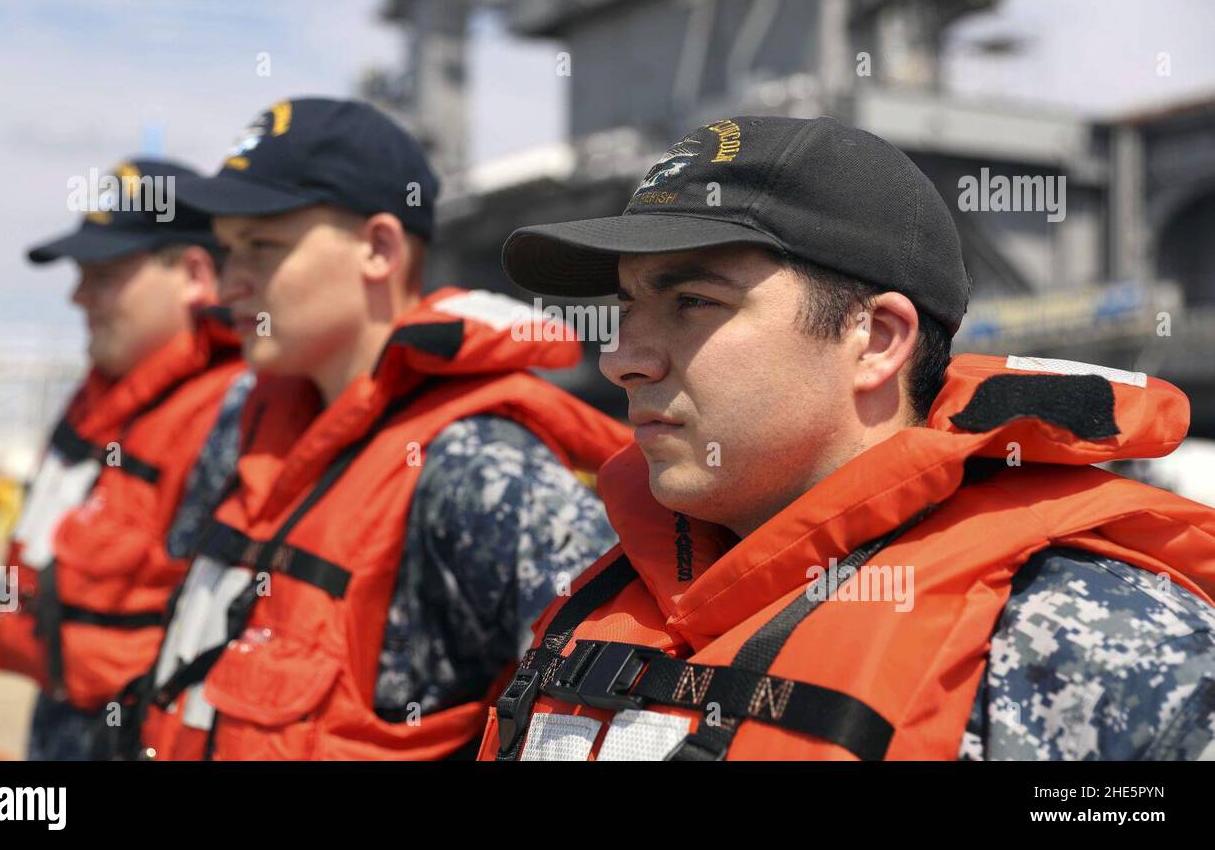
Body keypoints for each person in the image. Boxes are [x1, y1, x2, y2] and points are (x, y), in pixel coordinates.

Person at [478, 114, 1215, 761]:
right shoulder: (592, 594)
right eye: (627, 305)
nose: (620, 357)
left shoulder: (1081, 642)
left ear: (876, 339)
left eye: (694, 301)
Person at [134, 97, 629, 760]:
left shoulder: (475, 464)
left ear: (379, 248)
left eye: (261, 247)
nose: (228, 287)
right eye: (226, 251)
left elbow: (610, 715)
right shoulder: (246, 421)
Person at [0, 158, 249, 760]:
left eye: (103, 273)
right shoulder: (101, 399)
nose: (77, 297)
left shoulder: (236, 416)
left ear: (194, 275)